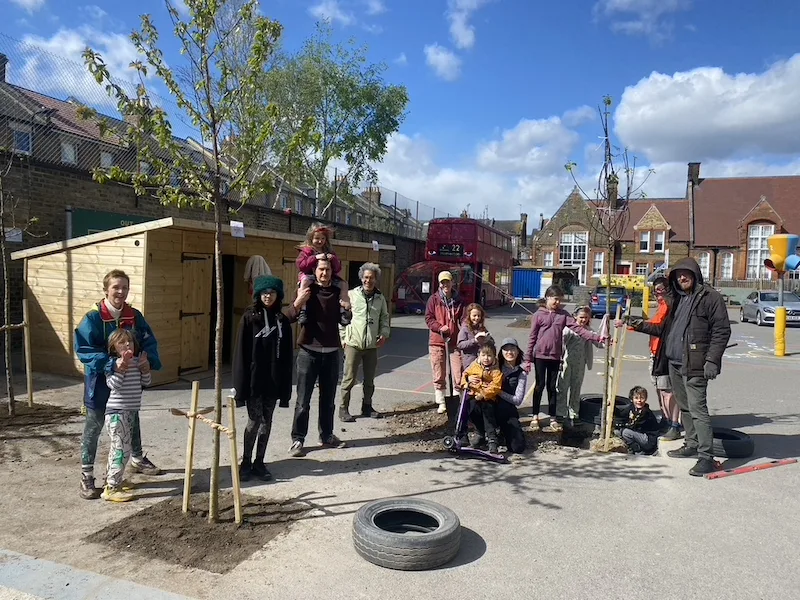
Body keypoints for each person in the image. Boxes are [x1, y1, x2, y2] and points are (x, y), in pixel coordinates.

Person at [619, 257, 731, 476]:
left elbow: (721, 331)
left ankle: (706, 457)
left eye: (686, 274)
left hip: (696, 364)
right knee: (685, 406)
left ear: (695, 274)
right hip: (675, 363)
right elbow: (663, 329)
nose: (682, 277)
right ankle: (691, 444)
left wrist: (712, 360)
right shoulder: (678, 300)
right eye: (678, 275)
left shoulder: (711, 298)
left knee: (698, 409)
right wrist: (640, 325)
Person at [74, 269, 162, 500]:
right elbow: (84, 350)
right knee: (94, 425)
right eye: (116, 287)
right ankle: (86, 475)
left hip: (129, 380)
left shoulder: (134, 315)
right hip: (99, 380)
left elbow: (148, 340)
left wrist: (147, 361)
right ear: (106, 290)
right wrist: (111, 364)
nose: (121, 292)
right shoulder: (93, 318)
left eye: (124, 287)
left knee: (131, 418)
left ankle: (137, 458)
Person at [233, 276, 309, 482]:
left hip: (273, 381)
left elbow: (285, 357)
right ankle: (246, 461)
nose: (268, 296)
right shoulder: (249, 318)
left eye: (272, 292)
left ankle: (260, 461)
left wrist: (285, 387)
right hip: (254, 381)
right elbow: (240, 353)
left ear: (278, 295)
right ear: (258, 294)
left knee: (267, 421)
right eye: (264, 292)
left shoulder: (282, 321)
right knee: (253, 421)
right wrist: (240, 387)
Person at [289, 258, 352, 457]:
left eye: (327, 270)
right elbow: (293, 313)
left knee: (328, 400)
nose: (324, 273)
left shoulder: (337, 293)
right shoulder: (307, 291)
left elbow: (346, 321)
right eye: (321, 270)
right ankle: (298, 440)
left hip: (332, 352)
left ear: (333, 272)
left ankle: (326, 436)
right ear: (315, 271)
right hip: (308, 351)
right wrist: (299, 301)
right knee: (303, 401)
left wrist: (347, 307)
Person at [525, 285, 606, 433]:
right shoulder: (538, 315)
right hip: (540, 355)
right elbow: (532, 337)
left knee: (552, 388)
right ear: (548, 297)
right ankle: (535, 416)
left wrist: (597, 337)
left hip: (555, 357)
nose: (558, 303)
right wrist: (527, 359)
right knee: (539, 386)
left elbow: (579, 329)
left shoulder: (563, 315)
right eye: (555, 299)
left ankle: (553, 418)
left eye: (560, 300)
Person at [101, 329, 152, 502]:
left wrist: (145, 369)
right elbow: (113, 385)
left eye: (129, 341)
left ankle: (114, 481)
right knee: (121, 450)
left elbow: (146, 382)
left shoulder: (137, 361)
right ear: (114, 348)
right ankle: (111, 488)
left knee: (120, 448)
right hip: (116, 413)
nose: (127, 345)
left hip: (130, 412)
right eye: (121, 342)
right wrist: (121, 367)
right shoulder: (112, 364)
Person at [339, 263, 391, 422]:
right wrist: (343, 339)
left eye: (371, 278)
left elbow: (384, 318)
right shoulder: (351, 295)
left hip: (371, 346)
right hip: (353, 344)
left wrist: (383, 334)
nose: (368, 280)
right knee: (349, 378)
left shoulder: (380, 298)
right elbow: (342, 319)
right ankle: (343, 408)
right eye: (366, 277)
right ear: (361, 278)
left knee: (369, 380)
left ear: (376, 280)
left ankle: (367, 406)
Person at [635, 277, 682, 441]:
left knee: (668, 391)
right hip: (656, 353)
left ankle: (674, 424)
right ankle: (666, 419)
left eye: (661, 289)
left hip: (666, 354)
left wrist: (639, 325)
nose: (657, 293)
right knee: (660, 389)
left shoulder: (670, 307)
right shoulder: (662, 306)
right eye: (655, 290)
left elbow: (659, 329)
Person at [425, 271, 465, 414]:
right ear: (439, 284)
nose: (445, 285)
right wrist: (439, 327)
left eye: (447, 281)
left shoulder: (459, 300)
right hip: (437, 340)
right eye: (442, 282)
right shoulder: (433, 300)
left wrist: (467, 331)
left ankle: (457, 400)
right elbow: (429, 319)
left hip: (454, 341)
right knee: (439, 372)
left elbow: (464, 319)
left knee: (458, 372)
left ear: (452, 282)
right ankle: (441, 401)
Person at [295, 223, 350, 324]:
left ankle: (344, 311)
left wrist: (333, 259)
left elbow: (337, 268)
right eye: (317, 238)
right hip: (310, 276)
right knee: (304, 283)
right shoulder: (307, 251)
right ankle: (303, 310)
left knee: (344, 284)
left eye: (323, 238)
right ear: (311, 238)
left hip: (328, 277)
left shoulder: (330, 251)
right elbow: (301, 265)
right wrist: (315, 257)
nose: (320, 241)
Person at [558, 306, 604, 425]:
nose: (583, 320)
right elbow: (560, 343)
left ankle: (574, 413)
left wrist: (607, 340)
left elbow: (599, 343)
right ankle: (560, 413)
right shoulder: (568, 330)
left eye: (586, 318)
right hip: (566, 362)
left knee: (576, 388)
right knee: (562, 388)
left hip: (580, 363)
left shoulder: (589, 331)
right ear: (575, 317)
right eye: (581, 317)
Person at [460, 342, 503, 454]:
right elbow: (464, 375)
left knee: (487, 411)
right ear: (479, 355)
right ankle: (476, 434)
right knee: (468, 408)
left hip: (488, 398)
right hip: (474, 395)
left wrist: (483, 394)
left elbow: (496, 386)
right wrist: (467, 382)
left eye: (489, 356)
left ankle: (492, 439)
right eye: (483, 355)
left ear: (494, 357)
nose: (486, 358)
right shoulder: (474, 365)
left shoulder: (496, 370)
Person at [493, 337, 527, 454]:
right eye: (506, 349)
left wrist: (499, 392)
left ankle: (504, 432)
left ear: (518, 352)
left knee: (518, 448)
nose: (509, 352)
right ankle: (482, 434)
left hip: (508, 411)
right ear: (501, 353)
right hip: (491, 408)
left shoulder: (521, 373)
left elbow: (517, 400)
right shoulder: (495, 366)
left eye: (512, 349)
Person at [620, 385, 660, 455]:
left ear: (646, 399)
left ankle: (638, 450)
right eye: (636, 398)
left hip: (648, 439)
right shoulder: (632, 407)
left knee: (626, 432)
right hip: (639, 433)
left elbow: (635, 426)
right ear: (632, 399)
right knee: (618, 432)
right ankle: (632, 447)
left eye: (642, 398)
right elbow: (622, 414)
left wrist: (623, 426)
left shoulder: (645, 412)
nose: (639, 400)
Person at [457, 302, 493, 371]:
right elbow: (460, 345)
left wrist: (487, 340)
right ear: (469, 316)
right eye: (474, 315)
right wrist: (475, 341)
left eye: (479, 316)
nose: (477, 318)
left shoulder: (482, 328)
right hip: (470, 363)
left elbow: (492, 343)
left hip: (482, 363)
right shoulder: (465, 328)